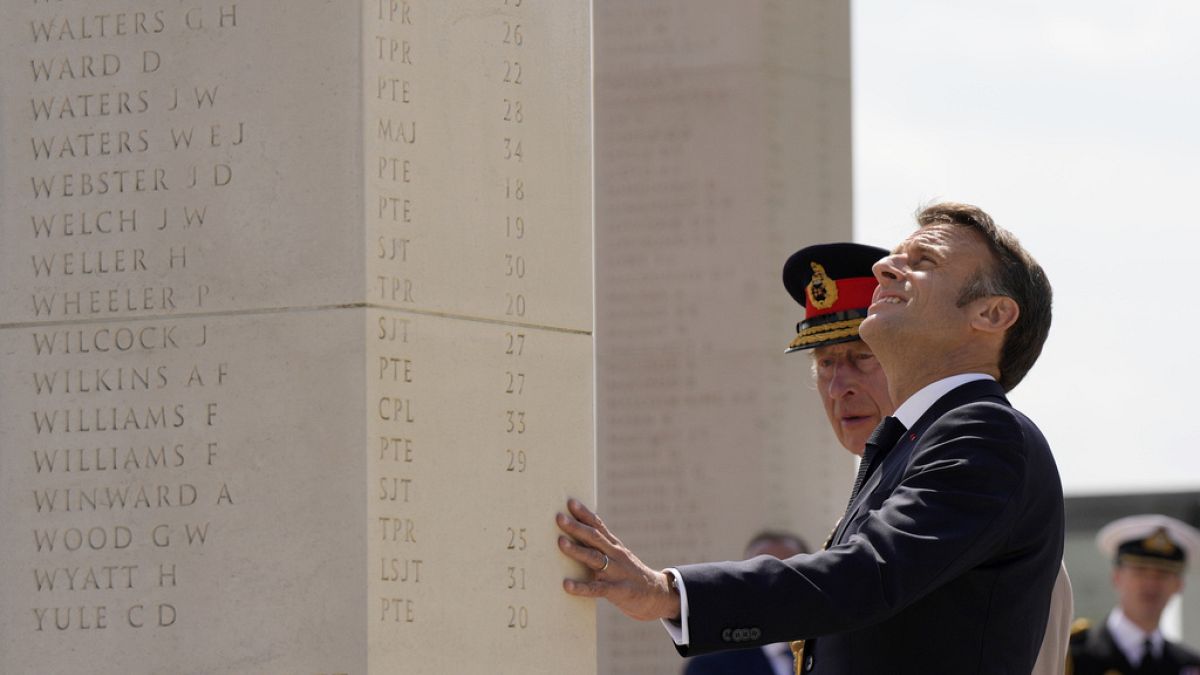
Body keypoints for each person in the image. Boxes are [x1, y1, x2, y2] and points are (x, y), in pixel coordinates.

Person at [556, 202, 1064, 673]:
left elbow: (868, 575)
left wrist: (667, 591)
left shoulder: (983, 431)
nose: (886, 268)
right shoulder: (914, 445)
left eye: (924, 260)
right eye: (824, 365)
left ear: (992, 315)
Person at [1068, 514, 1200, 675]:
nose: (1151, 583)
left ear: (1179, 585)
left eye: (1163, 573)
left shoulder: (1190, 666)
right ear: (1116, 577)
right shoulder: (1072, 656)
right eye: (1140, 571)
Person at [682, 531, 811, 675]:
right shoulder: (710, 665)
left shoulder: (830, 652)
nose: (775, 586)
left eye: (788, 575)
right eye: (762, 576)